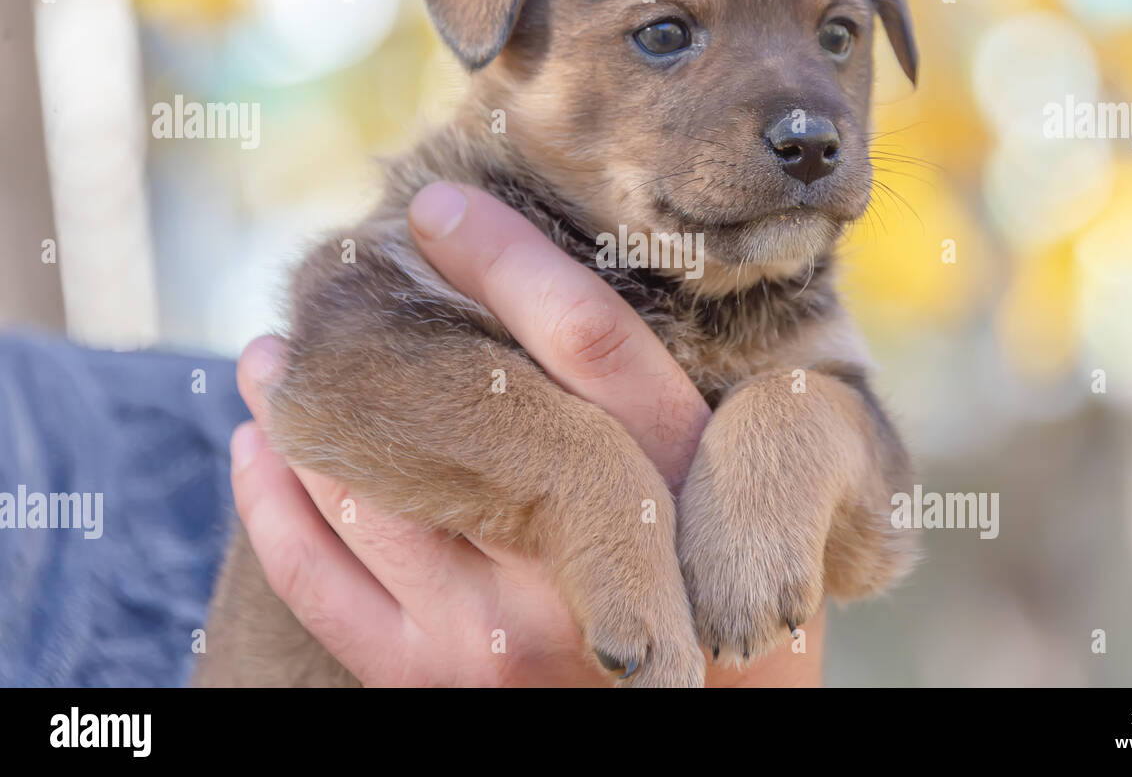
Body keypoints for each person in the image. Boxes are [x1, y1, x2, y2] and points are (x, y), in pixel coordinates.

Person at [228, 182, 822, 686]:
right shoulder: (468, 195)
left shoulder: (798, 286)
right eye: (663, 39)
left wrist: (785, 437)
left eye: (837, 39)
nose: (808, 126)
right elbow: (342, 379)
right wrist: (578, 481)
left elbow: (869, 530)